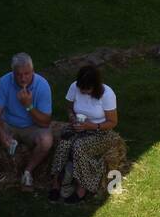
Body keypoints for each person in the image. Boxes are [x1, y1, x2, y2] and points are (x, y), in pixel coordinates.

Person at [0, 53, 58, 190]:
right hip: (8, 123)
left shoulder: (42, 86)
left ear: (33, 71)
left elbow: (45, 122)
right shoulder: (4, 81)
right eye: (19, 74)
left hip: (33, 126)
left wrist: (28, 105)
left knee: (47, 141)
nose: (23, 78)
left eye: (27, 73)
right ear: (12, 73)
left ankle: (28, 171)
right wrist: (1, 134)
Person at [47, 64, 121, 203]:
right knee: (64, 142)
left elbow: (112, 122)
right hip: (79, 127)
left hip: (101, 132)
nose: (84, 91)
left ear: (96, 86)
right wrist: (72, 118)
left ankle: (83, 188)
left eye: (87, 89)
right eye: (82, 88)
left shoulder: (107, 94)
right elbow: (69, 107)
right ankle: (56, 183)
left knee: (79, 147)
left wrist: (91, 126)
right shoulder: (74, 87)